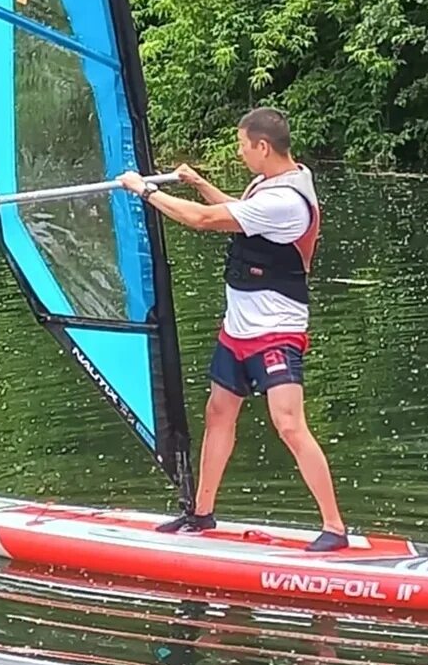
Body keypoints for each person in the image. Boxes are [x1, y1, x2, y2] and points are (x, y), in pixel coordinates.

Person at [118, 106, 347, 552]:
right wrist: (201, 184)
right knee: (219, 413)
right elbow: (242, 213)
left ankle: (335, 528)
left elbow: (204, 222)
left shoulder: (286, 201)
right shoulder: (273, 182)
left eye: (243, 146)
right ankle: (201, 514)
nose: (240, 153)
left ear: (263, 147)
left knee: (288, 424)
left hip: (276, 330)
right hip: (238, 329)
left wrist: (144, 190)